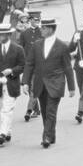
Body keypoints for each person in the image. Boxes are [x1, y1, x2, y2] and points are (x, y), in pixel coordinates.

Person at [22, 17, 75, 149]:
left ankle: (46, 137)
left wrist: (71, 87)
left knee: (51, 111)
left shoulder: (62, 46)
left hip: (55, 83)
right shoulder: (37, 45)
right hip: (40, 83)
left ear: (51, 29)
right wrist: (25, 82)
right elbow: (29, 64)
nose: (41, 29)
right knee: (45, 112)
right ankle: (51, 135)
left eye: (44, 28)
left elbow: (68, 67)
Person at [0, 22, 25, 146]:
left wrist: (12, 71)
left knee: (7, 110)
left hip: (11, 84)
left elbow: (23, 66)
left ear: (8, 34)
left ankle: (2, 133)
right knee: (2, 109)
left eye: (2, 34)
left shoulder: (18, 49)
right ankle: (8, 131)